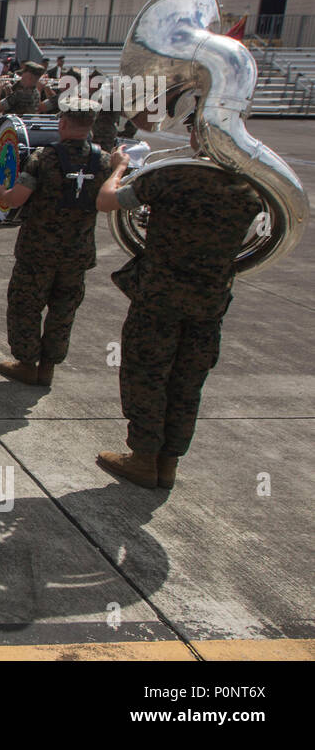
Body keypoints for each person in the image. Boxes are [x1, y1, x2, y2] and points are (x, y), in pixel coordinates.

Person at [93, 113, 263, 489]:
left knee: (147, 374)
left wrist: (119, 168)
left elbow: (107, 202)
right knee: (188, 380)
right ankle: (168, 464)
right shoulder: (250, 187)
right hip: (210, 301)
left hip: (159, 297)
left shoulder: (170, 176)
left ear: (200, 136)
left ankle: (143, 458)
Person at [0, 99, 112, 386]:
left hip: (38, 250)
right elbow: (110, 201)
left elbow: (17, 198)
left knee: (26, 306)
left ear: (63, 123)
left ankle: (26, 362)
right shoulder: (105, 161)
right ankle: (48, 366)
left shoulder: (43, 158)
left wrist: (1, 192)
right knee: (64, 309)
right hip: (77, 251)